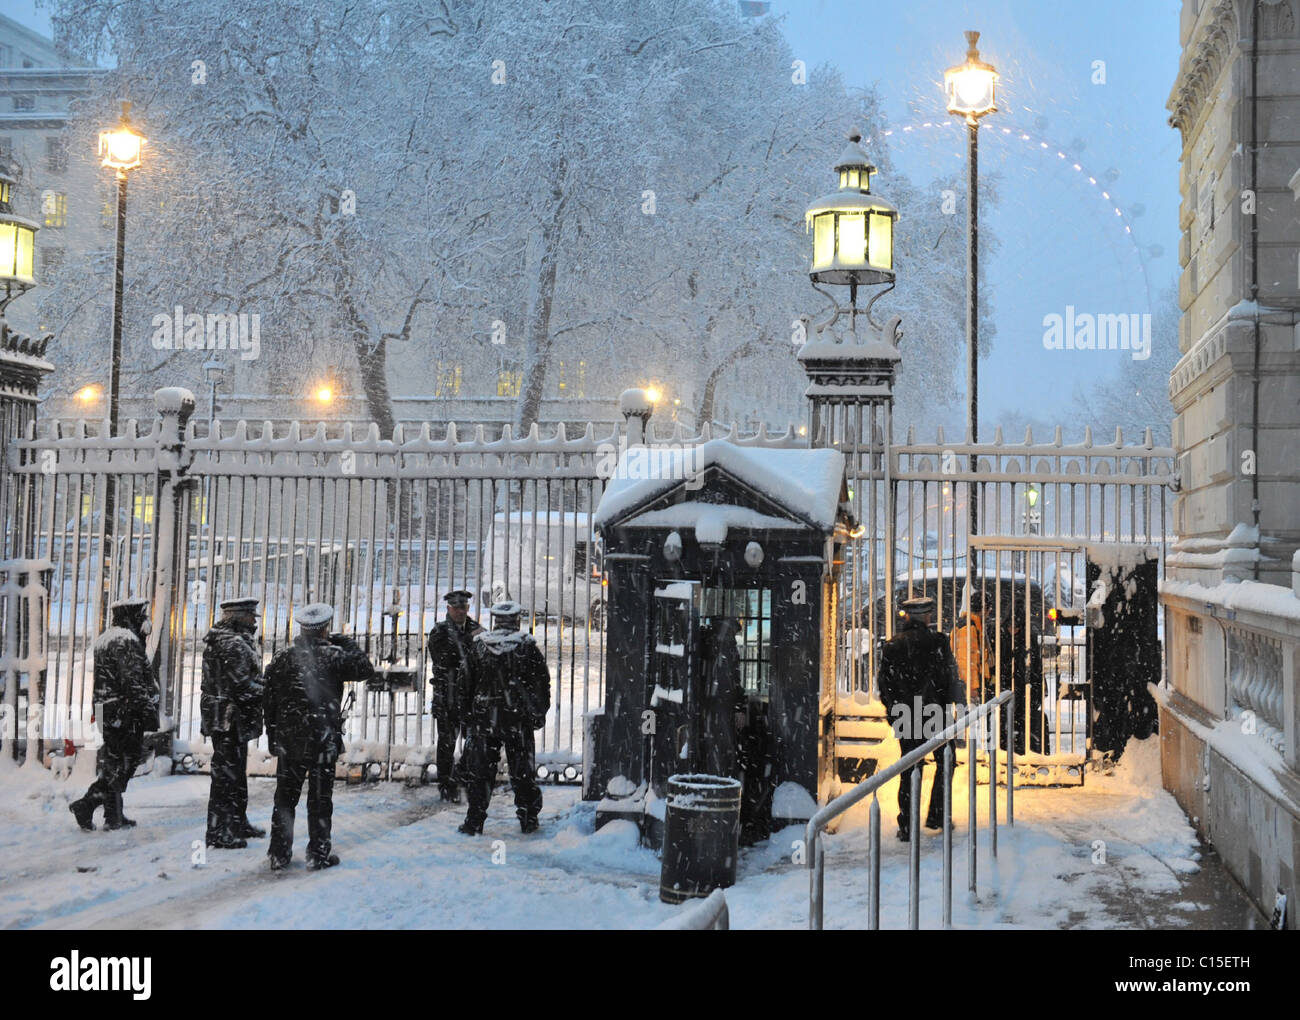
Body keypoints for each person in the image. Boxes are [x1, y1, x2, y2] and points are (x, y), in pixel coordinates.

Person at [263, 602, 376, 870]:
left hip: (290, 739)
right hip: (322, 737)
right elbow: (365, 667)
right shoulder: (335, 656)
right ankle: (318, 853)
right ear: (325, 629)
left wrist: (273, 734)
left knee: (285, 798)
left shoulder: (282, 658)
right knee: (320, 799)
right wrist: (345, 642)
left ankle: (279, 853)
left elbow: (269, 700)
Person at [457, 601, 551, 836]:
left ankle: (475, 820)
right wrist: (538, 712)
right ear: (516, 620)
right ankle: (528, 817)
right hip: (518, 719)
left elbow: (464, 685)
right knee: (522, 772)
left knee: (481, 773)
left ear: (495, 620)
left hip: (485, 719)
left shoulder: (480, 647)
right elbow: (542, 684)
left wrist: (468, 716)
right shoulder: (527, 648)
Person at [876, 596, 964, 842]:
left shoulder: (892, 646)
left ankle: (907, 823)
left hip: (906, 714)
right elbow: (950, 677)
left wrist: (894, 711)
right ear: (926, 617)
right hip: (935, 713)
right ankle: (937, 815)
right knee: (946, 761)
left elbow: (884, 684)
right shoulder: (938, 642)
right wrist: (952, 706)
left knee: (909, 767)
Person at [69, 598, 160, 832]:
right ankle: (86, 804)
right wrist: (148, 710)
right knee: (124, 764)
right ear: (132, 616)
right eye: (142, 615)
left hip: (107, 710)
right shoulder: (125, 640)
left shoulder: (106, 638)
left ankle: (114, 815)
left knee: (114, 761)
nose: (146, 620)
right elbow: (132, 682)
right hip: (124, 712)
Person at [201, 596, 266, 849]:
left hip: (227, 717)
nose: (254, 621)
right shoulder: (233, 644)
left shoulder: (232, 641)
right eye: (250, 617)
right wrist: (269, 688)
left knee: (234, 774)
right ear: (239, 617)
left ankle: (237, 822)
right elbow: (242, 687)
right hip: (228, 718)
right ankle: (218, 831)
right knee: (226, 777)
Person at [426, 589, 483, 802]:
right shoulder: (440, 631)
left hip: (471, 695)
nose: (460, 611)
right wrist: (469, 641)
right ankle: (445, 783)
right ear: (448, 609)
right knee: (447, 743)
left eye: (464, 607)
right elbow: (444, 657)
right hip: (447, 694)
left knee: (475, 740)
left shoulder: (477, 628)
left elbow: (484, 656)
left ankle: (462, 774)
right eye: (456, 607)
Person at [949, 610, 991, 704]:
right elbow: (966, 660)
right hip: (970, 685)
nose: (989, 613)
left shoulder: (970, 625)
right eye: (989, 609)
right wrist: (972, 687)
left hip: (968, 683)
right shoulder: (969, 628)